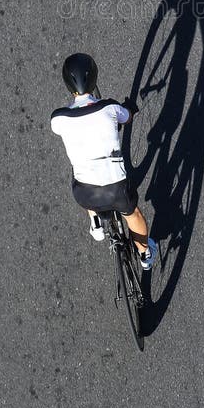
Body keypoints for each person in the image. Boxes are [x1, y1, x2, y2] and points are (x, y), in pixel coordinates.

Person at [50, 52, 158, 271]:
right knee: (133, 215)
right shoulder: (109, 107)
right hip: (116, 191)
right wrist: (130, 110)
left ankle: (96, 222)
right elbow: (126, 117)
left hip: (85, 194)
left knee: (79, 169)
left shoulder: (58, 119)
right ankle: (145, 255)